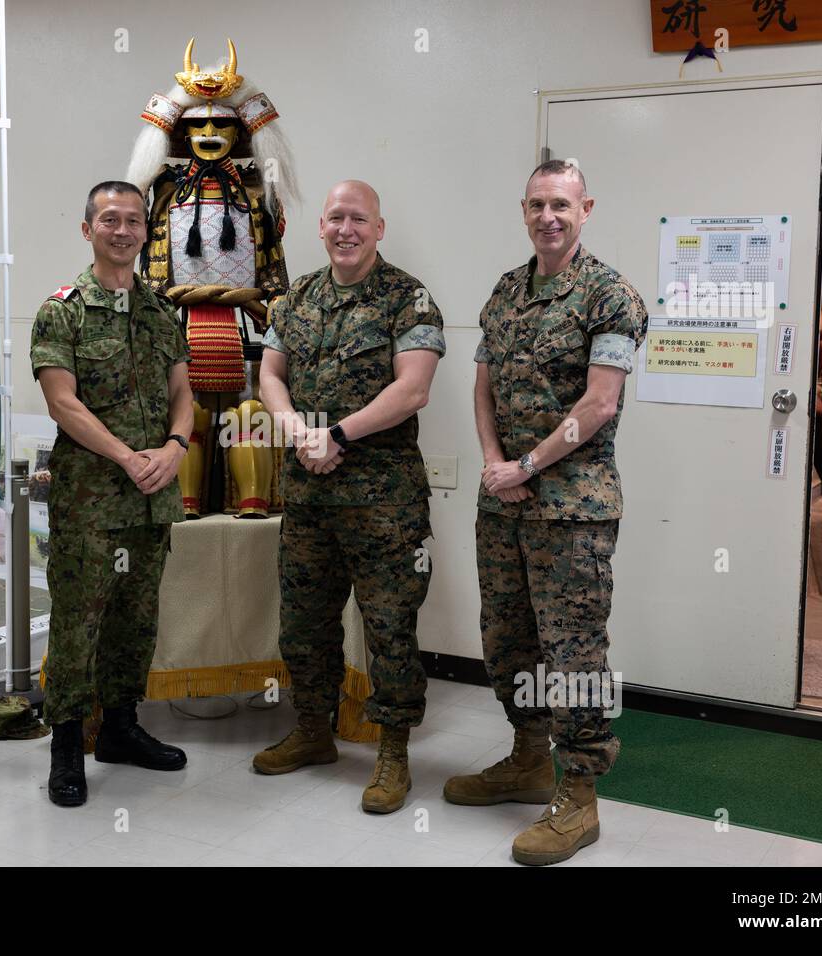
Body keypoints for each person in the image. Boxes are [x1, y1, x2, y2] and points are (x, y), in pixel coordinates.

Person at [444, 159, 646, 865]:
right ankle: (528, 759)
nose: (547, 217)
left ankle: (580, 797)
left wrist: (528, 466)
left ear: (586, 207)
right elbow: (482, 385)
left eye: (561, 204)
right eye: (536, 205)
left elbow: (599, 404)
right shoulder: (506, 291)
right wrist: (498, 468)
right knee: (507, 638)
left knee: (574, 655)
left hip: (573, 509)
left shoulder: (610, 296)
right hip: (504, 505)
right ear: (523, 209)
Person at [252, 180, 444, 815]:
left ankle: (392, 751)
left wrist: (335, 434)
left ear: (379, 228)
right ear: (321, 227)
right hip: (308, 496)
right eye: (335, 217)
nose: (345, 229)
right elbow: (270, 375)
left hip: (383, 502)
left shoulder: (408, 298)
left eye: (358, 218)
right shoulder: (295, 298)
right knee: (303, 624)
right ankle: (313, 730)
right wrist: (298, 432)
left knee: (389, 627)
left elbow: (411, 390)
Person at [30, 181, 194, 808]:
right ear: (88, 229)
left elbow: (185, 392)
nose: (122, 231)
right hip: (92, 500)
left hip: (153, 496)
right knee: (79, 623)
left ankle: (122, 728)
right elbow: (62, 401)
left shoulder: (160, 312)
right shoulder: (62, 310)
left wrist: (176, 447)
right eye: (109, 220)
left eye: (133, 221)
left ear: (146, 232)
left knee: (136, 618)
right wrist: (128, 456)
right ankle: (68, 743)